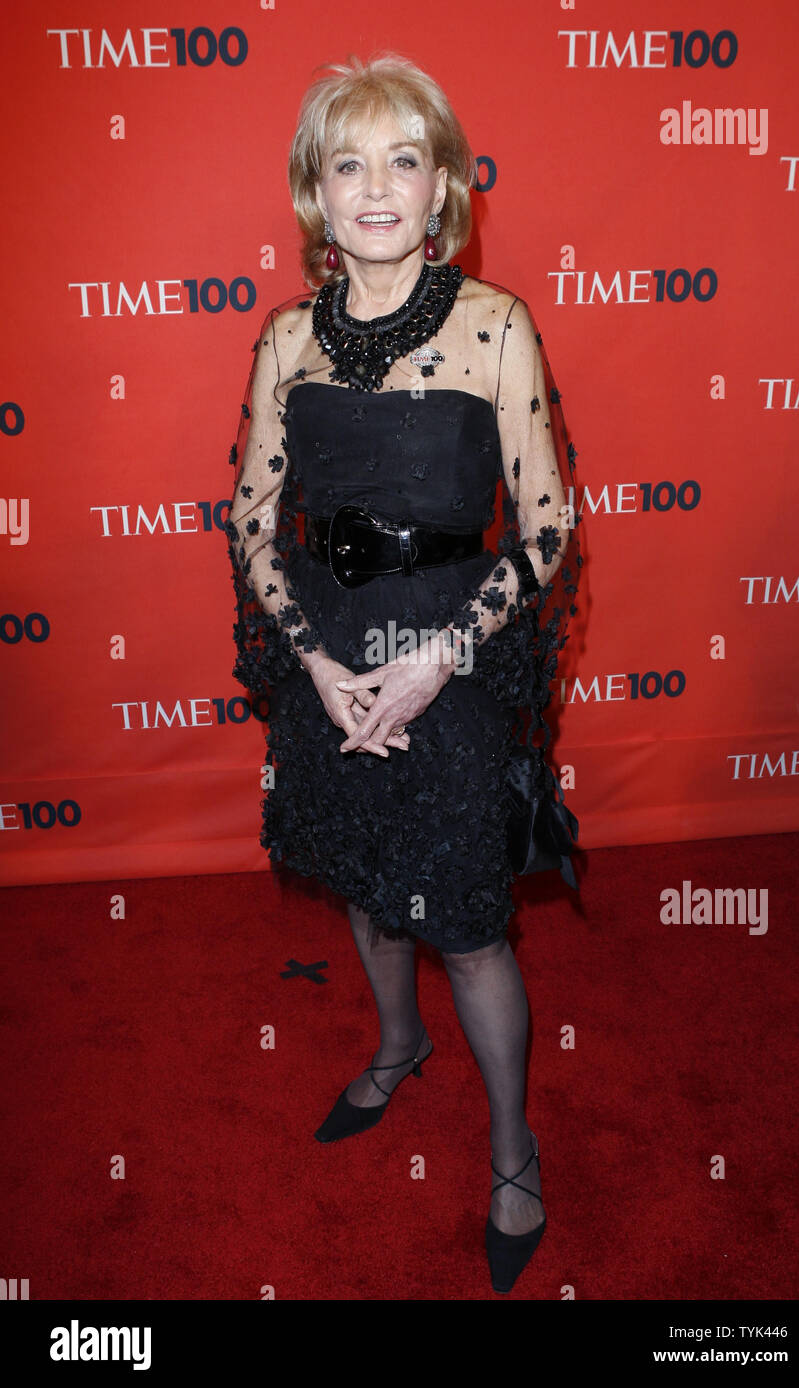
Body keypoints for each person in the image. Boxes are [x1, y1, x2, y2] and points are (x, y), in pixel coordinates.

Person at [224, 52, 583, 1295]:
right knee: (368, 894)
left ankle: (510, 1147)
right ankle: (394, 1046)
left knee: (471, 926)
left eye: (403, 159)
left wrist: (440, 656)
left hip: (453, 646)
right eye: (347, 162)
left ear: (441, 191)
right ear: (316, 197)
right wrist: (314, 662)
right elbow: (249, 519)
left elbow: (544, 529)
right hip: (330, 650)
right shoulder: (283, 340)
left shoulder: (496, 325)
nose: (376, 186)